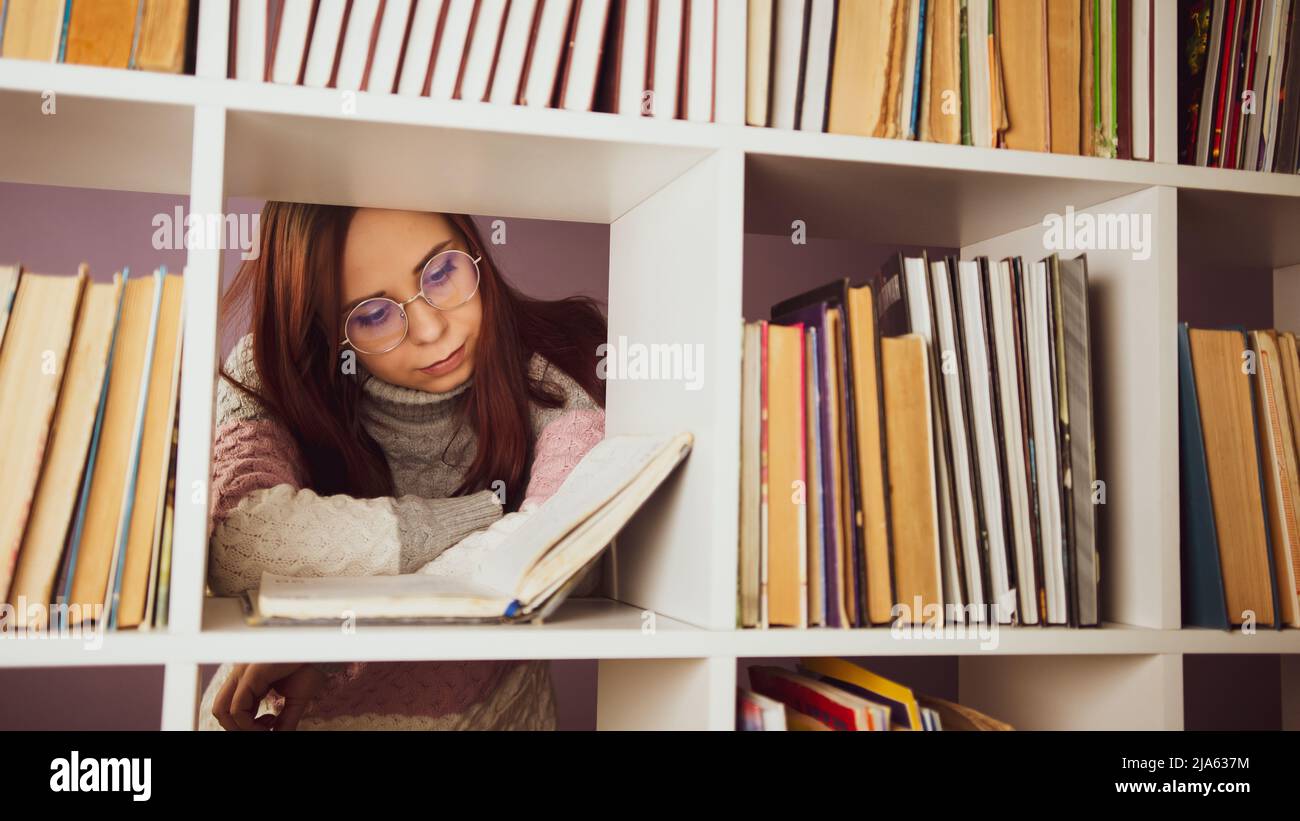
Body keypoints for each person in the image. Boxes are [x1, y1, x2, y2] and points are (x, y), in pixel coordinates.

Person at [197, 204, 607, 730]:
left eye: (441, 274)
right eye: (372, 314)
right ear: (326, 326)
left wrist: (331, 651)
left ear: (474, 248)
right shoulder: (269, 372)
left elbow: (564, 552)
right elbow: (239, 549)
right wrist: (485, 515)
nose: (432, 328)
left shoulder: (551, 375)